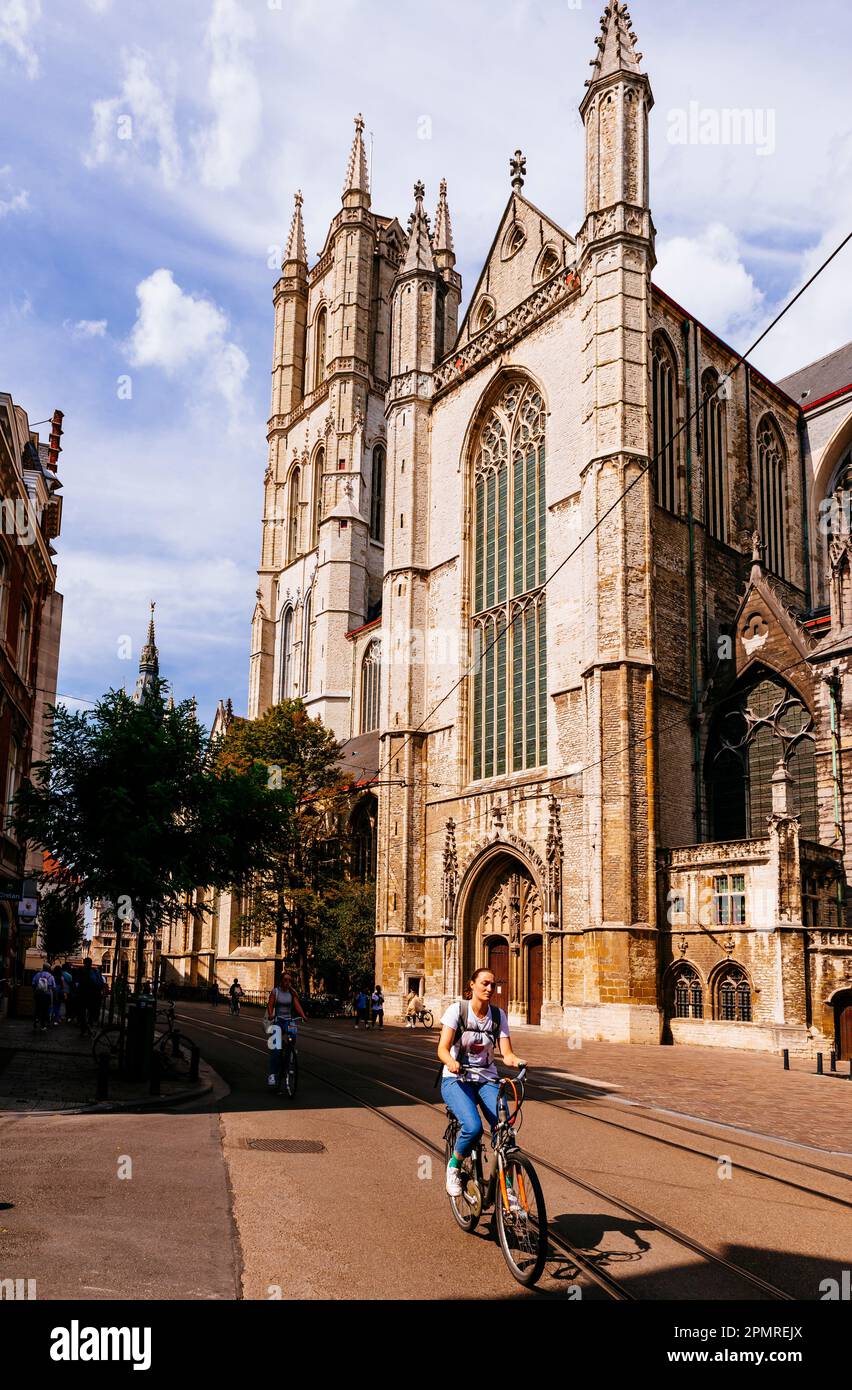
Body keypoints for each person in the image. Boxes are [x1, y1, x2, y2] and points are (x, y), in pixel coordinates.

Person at [437, 966, 525, 1197]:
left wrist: (516, 1061)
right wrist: (451, 1062)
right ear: (472, 985)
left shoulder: (498, 1015)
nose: (489, 988)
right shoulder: (457, 1011)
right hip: (457, 1080)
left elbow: (506, 1053)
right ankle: (454, 1167)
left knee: (505, 1132)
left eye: (492, 984)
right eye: (484, 983)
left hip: (486, 1079)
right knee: (473, 1127)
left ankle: (507, 1190)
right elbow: (442, 1049)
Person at [265, 970, 306, 1089]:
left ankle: (288, 1063)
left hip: (289, 1020)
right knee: (276, 1049)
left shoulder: (291, 993)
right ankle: (272, 1074)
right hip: (278, 1020)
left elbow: (297, 1005)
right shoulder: (275, 991)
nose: (287, 982)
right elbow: (270, 1004)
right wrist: (270, 1014)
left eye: (289, 980)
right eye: (285, 980)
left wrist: (303, 1015)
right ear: (281, 981)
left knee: (292, 1039)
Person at [31, 963, 55, 1032]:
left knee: (37, 1008)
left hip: (38, 994)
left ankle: (36, 1019)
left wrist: (35, 992)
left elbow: (33, 984)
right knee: (45, 1010)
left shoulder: (37, 975)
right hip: (47, 995)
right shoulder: (51, 976)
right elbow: (53, 987)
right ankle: (42, 1025)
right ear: (48, 968)